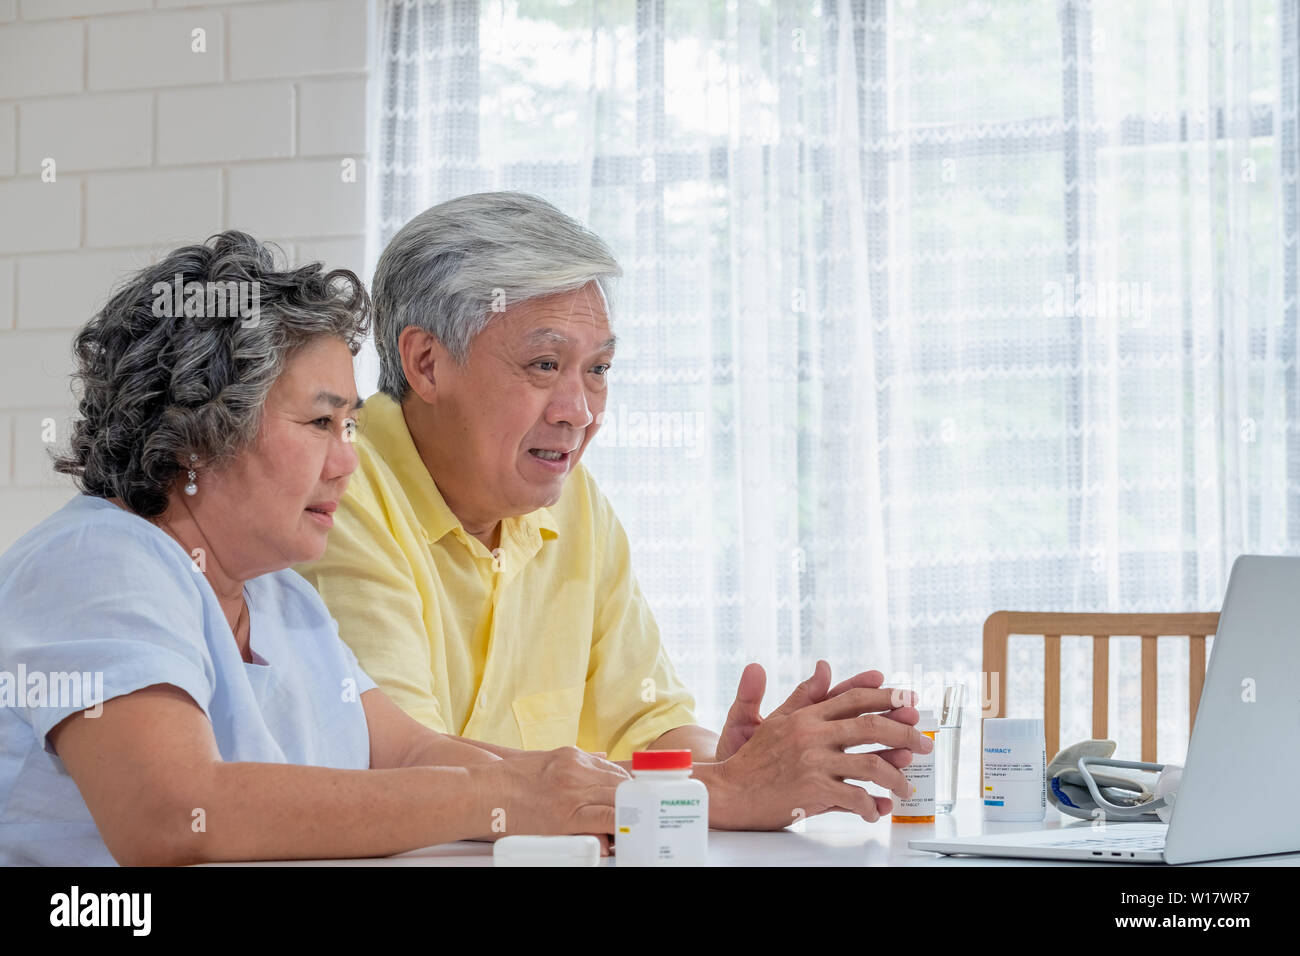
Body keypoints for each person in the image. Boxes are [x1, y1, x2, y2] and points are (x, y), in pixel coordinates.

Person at [296, 192, 932, 829]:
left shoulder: (574, 503)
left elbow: (648, 723)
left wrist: (727, 765)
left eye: (598, 368)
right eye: (545, 365)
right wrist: (725, 792)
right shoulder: (334, 491)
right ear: (426, 364)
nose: (580, 409)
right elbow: (411, 771)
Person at [0, 231, 626, 866]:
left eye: (350, 425)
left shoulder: (282, 600)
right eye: (320, 423)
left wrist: (590, 793)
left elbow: (410, 753)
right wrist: (496, 797)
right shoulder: (94, 562)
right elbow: (173, 813)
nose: (348, 460)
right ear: (198, 431)